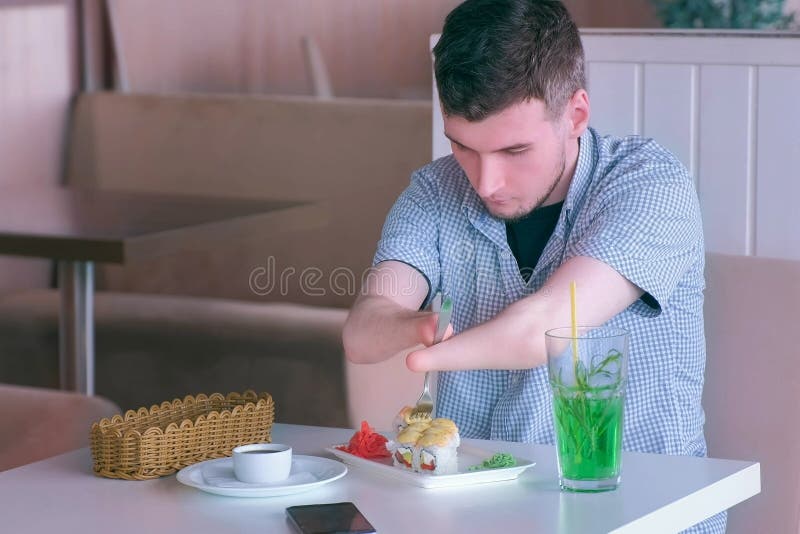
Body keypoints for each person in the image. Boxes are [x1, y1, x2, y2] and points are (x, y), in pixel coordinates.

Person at [344, 1, 723, 531]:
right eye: (463, 147)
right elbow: (364, 332)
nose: (485, 182)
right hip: (483, 517)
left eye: (514, 150)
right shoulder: (434, 192)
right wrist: (415, 324)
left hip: (646, 515)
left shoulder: (650, 185)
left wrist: (426, 359)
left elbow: (542, 328)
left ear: (576, 115)